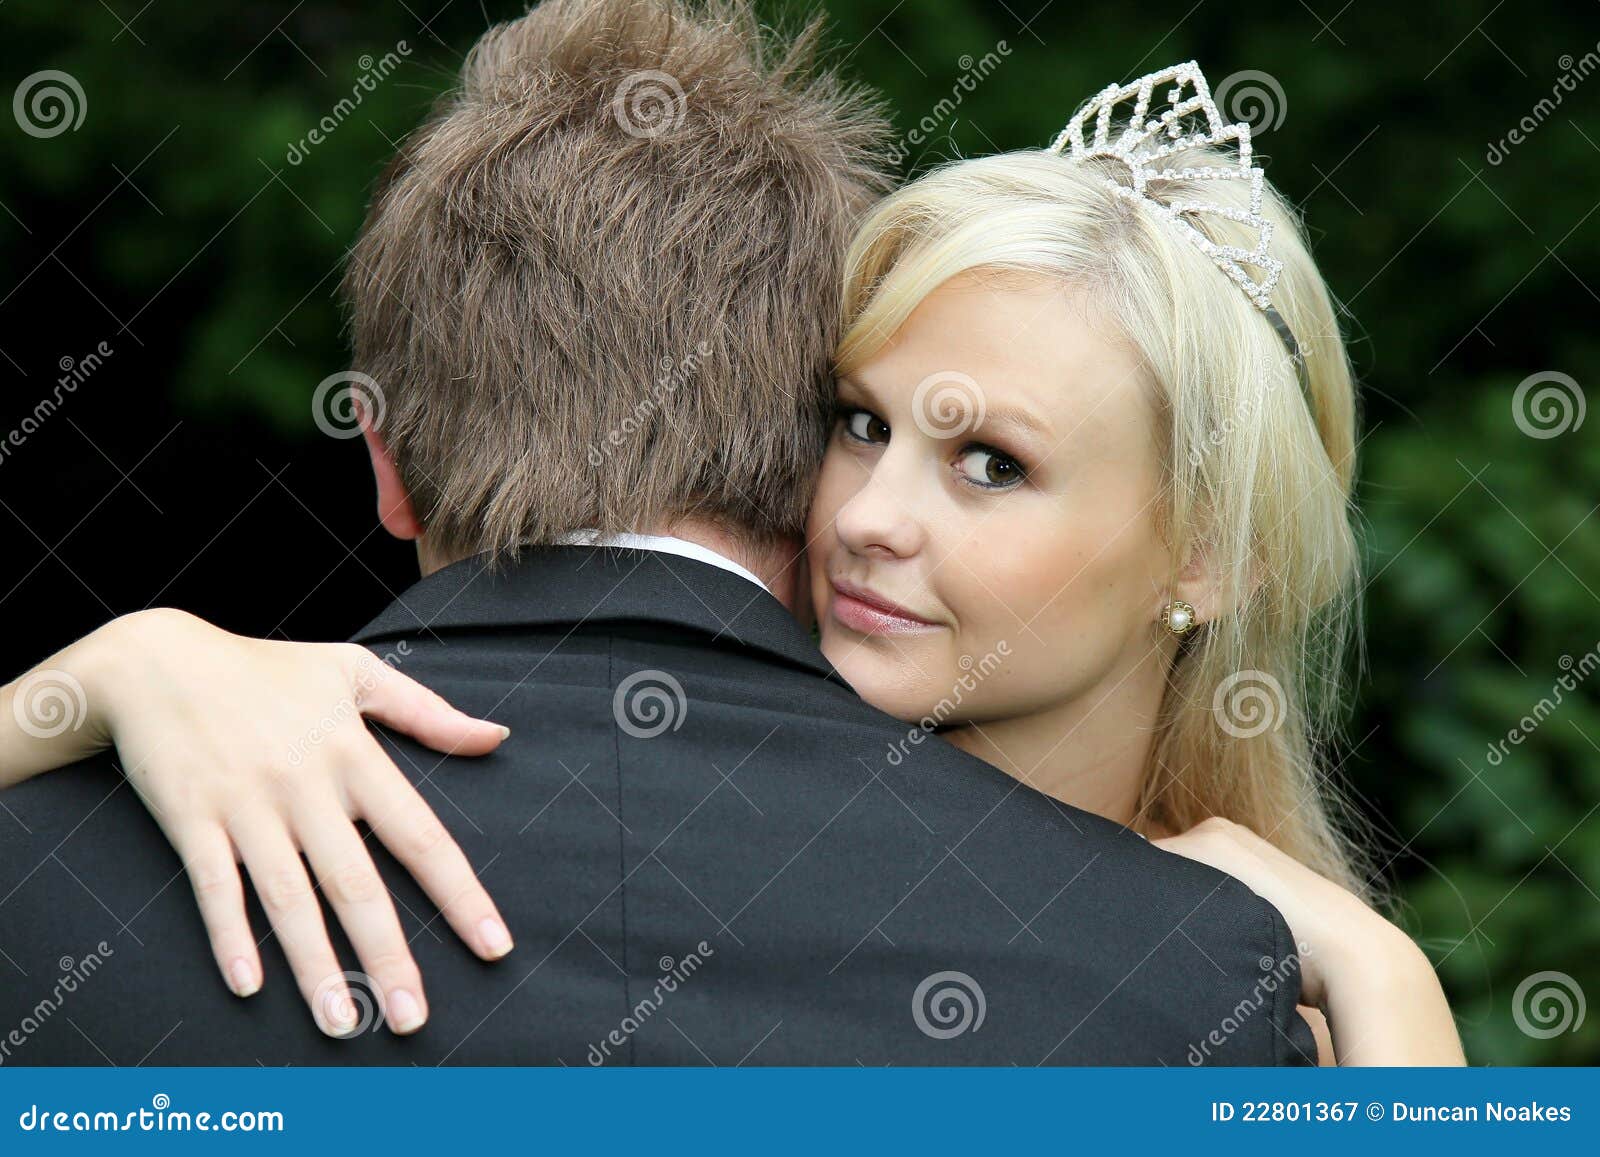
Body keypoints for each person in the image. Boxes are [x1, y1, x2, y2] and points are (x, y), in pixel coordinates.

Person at [0, 1, 1462, 1064]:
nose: (870, 517)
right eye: (859, 422)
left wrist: (1388, 987)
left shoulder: (1273, 995)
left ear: (1211, 553)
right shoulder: (1196, 985)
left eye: (994, 464)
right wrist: (118, 667)